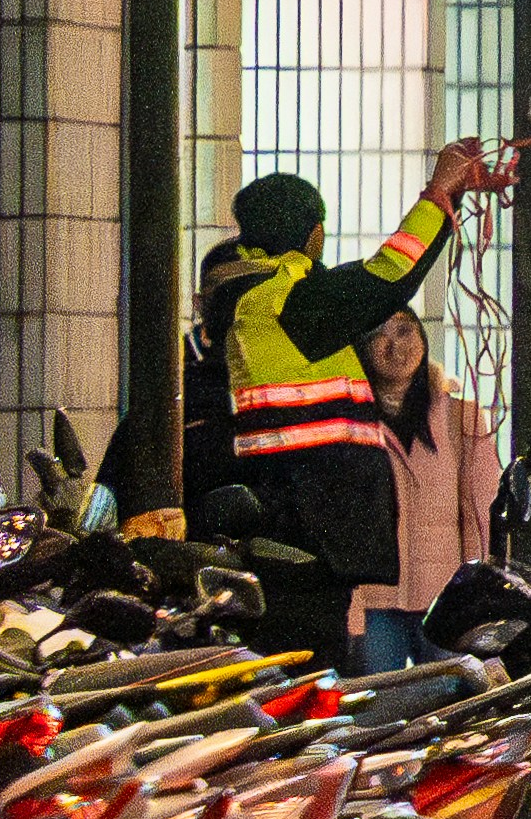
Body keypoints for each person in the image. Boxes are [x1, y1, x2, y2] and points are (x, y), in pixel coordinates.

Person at [213, 146, 501, 654]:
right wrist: (438, 195)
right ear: (311, 234)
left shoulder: (263, 297)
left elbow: (380, 286)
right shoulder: (285, 300)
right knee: (307, 675)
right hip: (310, 523)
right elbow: (390, 275)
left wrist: (449, 198)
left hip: (302, 518)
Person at [347, 321, 500, 671]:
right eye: (377, 335)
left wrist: (478, 595)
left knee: (454, 707)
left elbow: (480, 514)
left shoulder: (461, 416)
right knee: (380, 710)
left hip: (447, 598)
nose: (394, 347)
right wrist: (353, 610)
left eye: (404, 332)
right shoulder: (349, 420)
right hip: (376, 599)